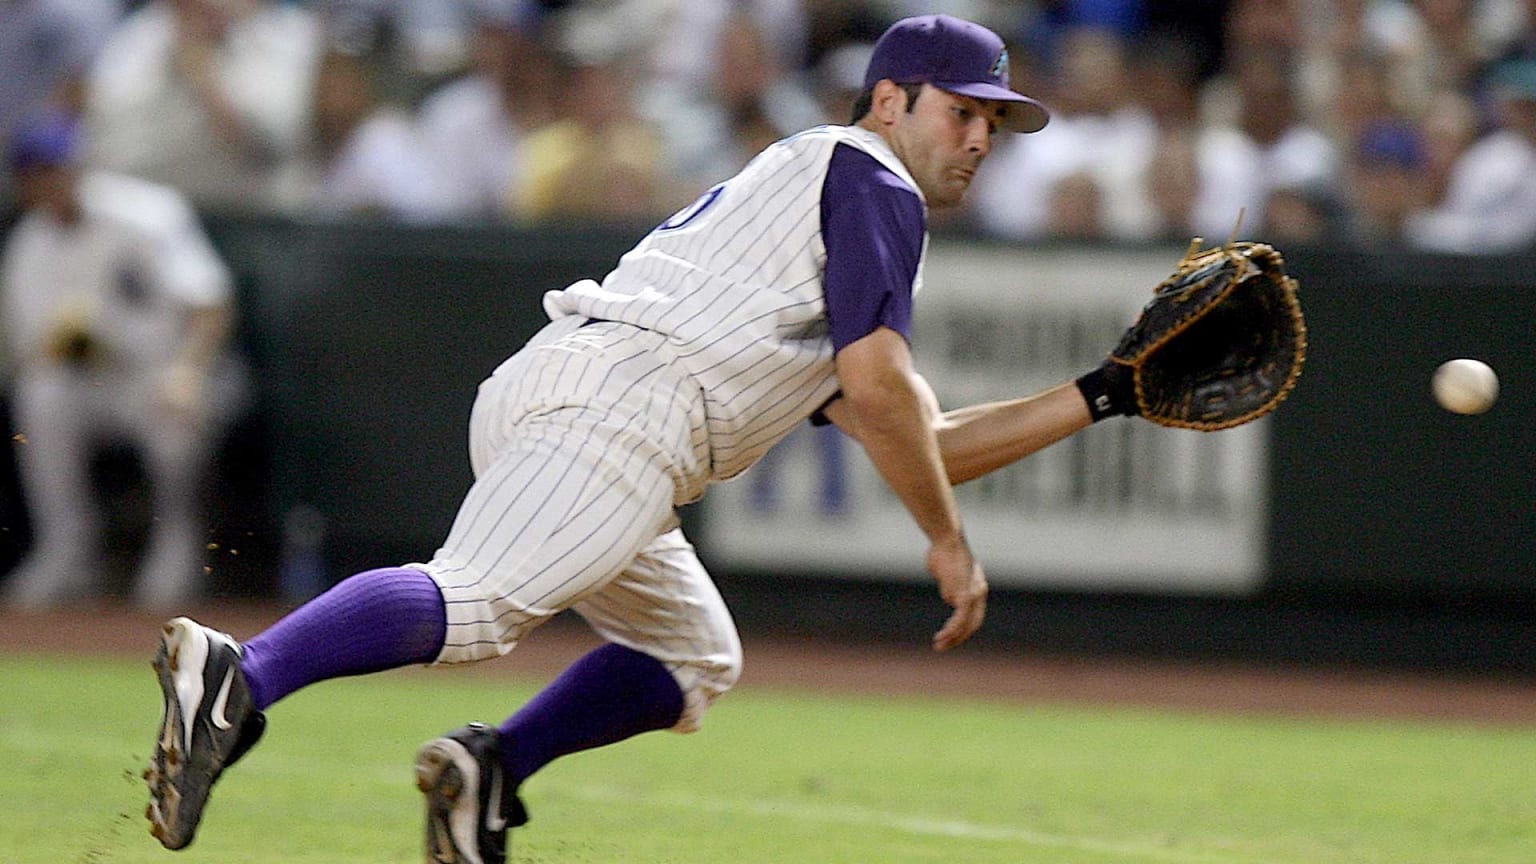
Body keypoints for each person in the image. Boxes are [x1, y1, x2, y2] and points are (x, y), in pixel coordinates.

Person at [142, 15, 1144, 863]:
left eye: (993, 122)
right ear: (889, 101)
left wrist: (1103, 394)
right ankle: (241, 676)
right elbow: (882, 390)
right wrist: (949, 541)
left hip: (596, 395)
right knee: (480, 602)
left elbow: (918, 435)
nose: (979, 137)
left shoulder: (832, 198)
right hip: (630, 409)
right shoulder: (870, 174)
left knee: (692, 654)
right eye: (960, 110)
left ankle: (487, 770)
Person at [0, 113, 238, 611]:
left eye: (55, 168)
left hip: (176, 370)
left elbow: (212, 305)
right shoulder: (28, 244)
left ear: (78, 166)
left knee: (170, 409)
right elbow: (30, 350)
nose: (48, 181)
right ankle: (68, 550)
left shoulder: (146, 213)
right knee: (41, 396)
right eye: (35, 173)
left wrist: (187, 371)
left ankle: (179, 548)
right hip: (96, 377)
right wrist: (73, 341)